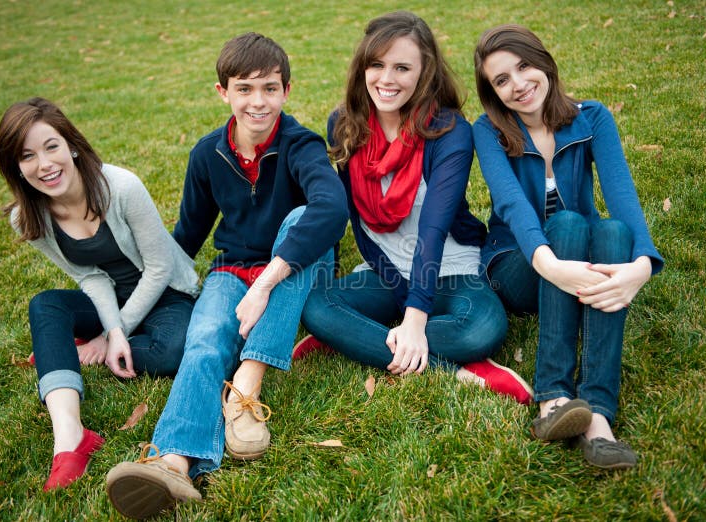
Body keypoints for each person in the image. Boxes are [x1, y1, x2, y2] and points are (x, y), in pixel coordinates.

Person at [104, 33, 348, 519]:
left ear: (287, 89)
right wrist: (128, 310)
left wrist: (264, 284)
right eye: (245, 89)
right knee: (205, 337)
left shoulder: (302, 145)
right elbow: (187, 236)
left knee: (302, 221)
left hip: (296, 267)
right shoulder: (207, 154)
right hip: (232, 267)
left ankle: (246, 389)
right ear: (223, 92)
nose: (258, 102)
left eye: (270, 88)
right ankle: (173, 461)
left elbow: (331, 209)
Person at [300, 11, 532, 404]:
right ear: (362, 67)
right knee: (318, 306)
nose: (386, 79)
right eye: (377, 65)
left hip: (449, 269)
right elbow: (340, 211)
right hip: (385, 272)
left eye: (402, 68)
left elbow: (433, 230)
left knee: (482, 328)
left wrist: (415, 316)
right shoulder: (344, 124)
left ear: (424, 72)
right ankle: (459, 370)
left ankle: (356, 339)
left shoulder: (450, 131)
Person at [472, 25, 664, 469]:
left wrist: (640, 266)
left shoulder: (591, 116)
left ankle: (598, 416)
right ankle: (553, 398)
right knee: (568, 222)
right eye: (501, 80)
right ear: (493, 92)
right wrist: (551, 265)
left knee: (613, 233)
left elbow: (622, 197)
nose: (518, 84)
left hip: (576, 258)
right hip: (518, 265)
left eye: (523, 66)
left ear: (544, 62)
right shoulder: (488, 130)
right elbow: (511, 204)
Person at [0, 97, 200, 491]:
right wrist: (112, 330)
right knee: (46, 304)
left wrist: (109, 336)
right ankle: (70, 438)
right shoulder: (27, 216)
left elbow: (159, 268)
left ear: (71, 144)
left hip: (166, 292)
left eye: (51, 146)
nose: (44, 165)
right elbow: (89, 276)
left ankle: (62, 352)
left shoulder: (121, 186)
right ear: (16, 168)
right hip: (108, 298)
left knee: (171, 352)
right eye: (27, 156)